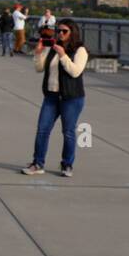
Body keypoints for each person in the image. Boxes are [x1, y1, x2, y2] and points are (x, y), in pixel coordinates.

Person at [24, 18, 89, 177]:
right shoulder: (52, 48)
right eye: (58, 30)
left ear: (72, 32)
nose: (60, 34)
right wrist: (38, 54)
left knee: (68, 132)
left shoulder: (80, 50)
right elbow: (39, 69)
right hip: (51, 96)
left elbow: (75, 71)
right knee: (42, 130)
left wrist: (63, 55)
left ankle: (67, 164)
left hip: (71, 98)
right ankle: (38, 163)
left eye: (64, 31)